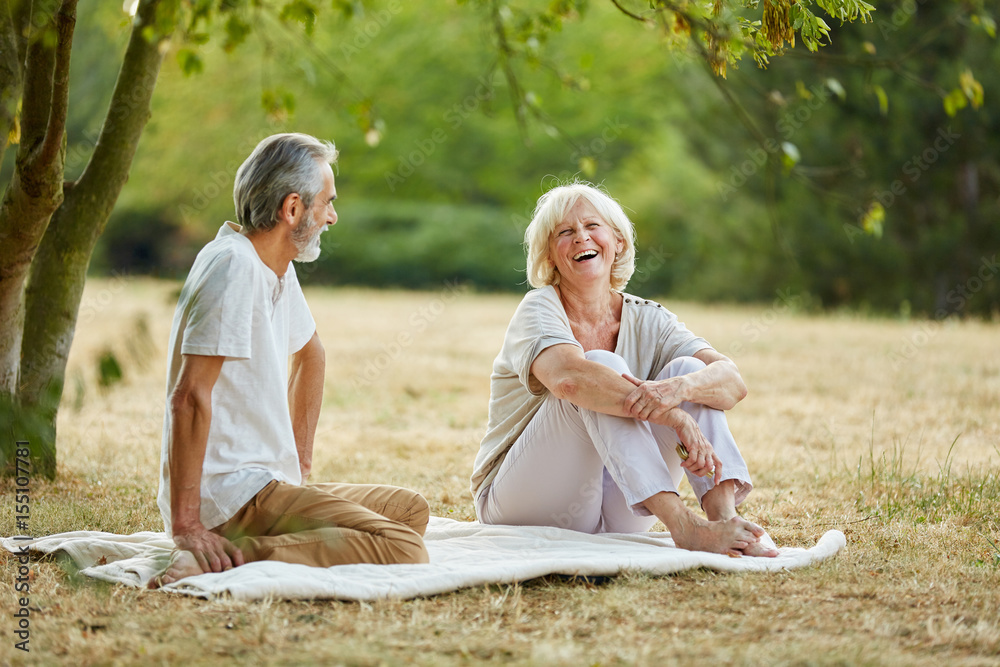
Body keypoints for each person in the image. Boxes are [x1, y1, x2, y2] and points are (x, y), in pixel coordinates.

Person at [152, 133, 430, 587]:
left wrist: (298, 463)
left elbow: (311, 353)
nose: (333, 216)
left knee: (408, 510)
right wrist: (187, 527)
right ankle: (226, 556)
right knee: (403, 547)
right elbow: (188, 397)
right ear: (293, 208)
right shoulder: (233, 267)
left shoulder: (275, 263)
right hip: (232, 500)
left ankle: (288, 532)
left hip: (267, 484)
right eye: (328, 202)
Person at [471, 182, 778, 558]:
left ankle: (726, 521)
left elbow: (732, 383)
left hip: (622, 510)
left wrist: (680, 388)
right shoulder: (538, 309)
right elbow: (571, 380)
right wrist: (676, 418)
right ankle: (682, 525)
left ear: (618, 242)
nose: (581, 237)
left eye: (591, 226)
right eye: (565, 233)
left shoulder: (649, 317)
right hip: (524, 503)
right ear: (551, 256)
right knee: (599, 369)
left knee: (690, 370)